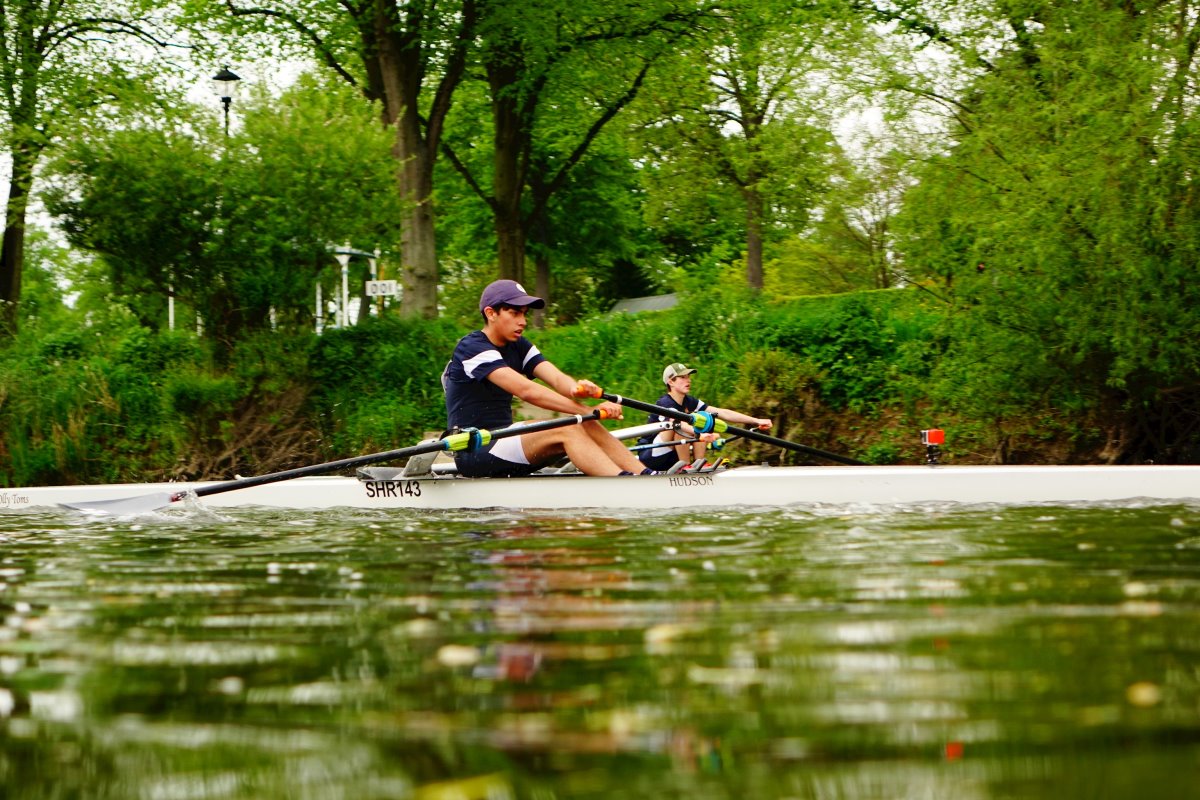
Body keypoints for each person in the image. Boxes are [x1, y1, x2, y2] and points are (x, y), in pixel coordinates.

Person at [443, 279, 653, 477]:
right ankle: (623, 483)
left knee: (585, 422)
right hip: (475, 449)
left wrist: (578, 389)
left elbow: (557, 379)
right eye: (515, 313)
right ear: (491, 313)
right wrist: (587, 410)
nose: (523, 321)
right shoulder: (471, 347)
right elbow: (527, 391)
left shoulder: (519, 345)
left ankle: (646, 476)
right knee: (571, 423)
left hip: (505, 440)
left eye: (524, 314)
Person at [636, 363, 773, 472]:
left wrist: (756, 420)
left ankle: (699, 463)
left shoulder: (690, 402)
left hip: (671, 453)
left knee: (704, 419)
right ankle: (685, 466)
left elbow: (722, 413)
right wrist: (701, 434)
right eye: (683, 377)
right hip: (651, 455)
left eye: (688, 377)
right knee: (682, 423)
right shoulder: (664, 403)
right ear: (671, 382)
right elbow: (678, 424)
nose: (688, 380)